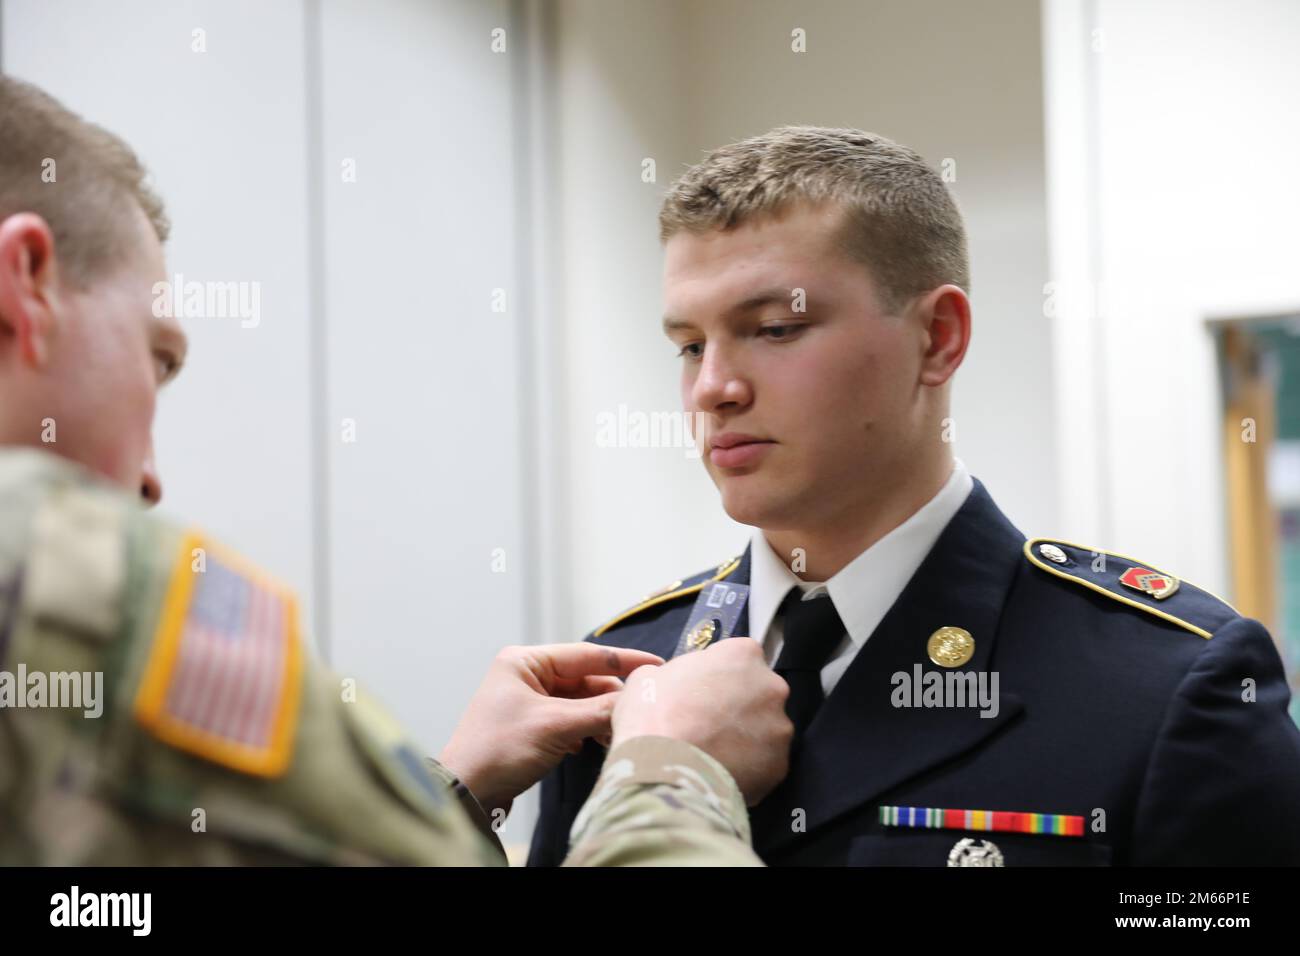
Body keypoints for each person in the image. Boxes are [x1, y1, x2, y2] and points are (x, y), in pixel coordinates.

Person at [0, 73, 794, 866]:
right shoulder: (71, 581)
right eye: (156, 358)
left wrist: (450, 791)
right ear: (25, 285)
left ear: (927, 344)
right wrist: (672, 770)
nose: (149, 481)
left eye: (777, 327)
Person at [528, 126, 1300, 867]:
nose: (712, 389)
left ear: (938, 339)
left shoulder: (1162, 681)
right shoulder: (629, 676)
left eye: (772, 328)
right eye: (690, 346)